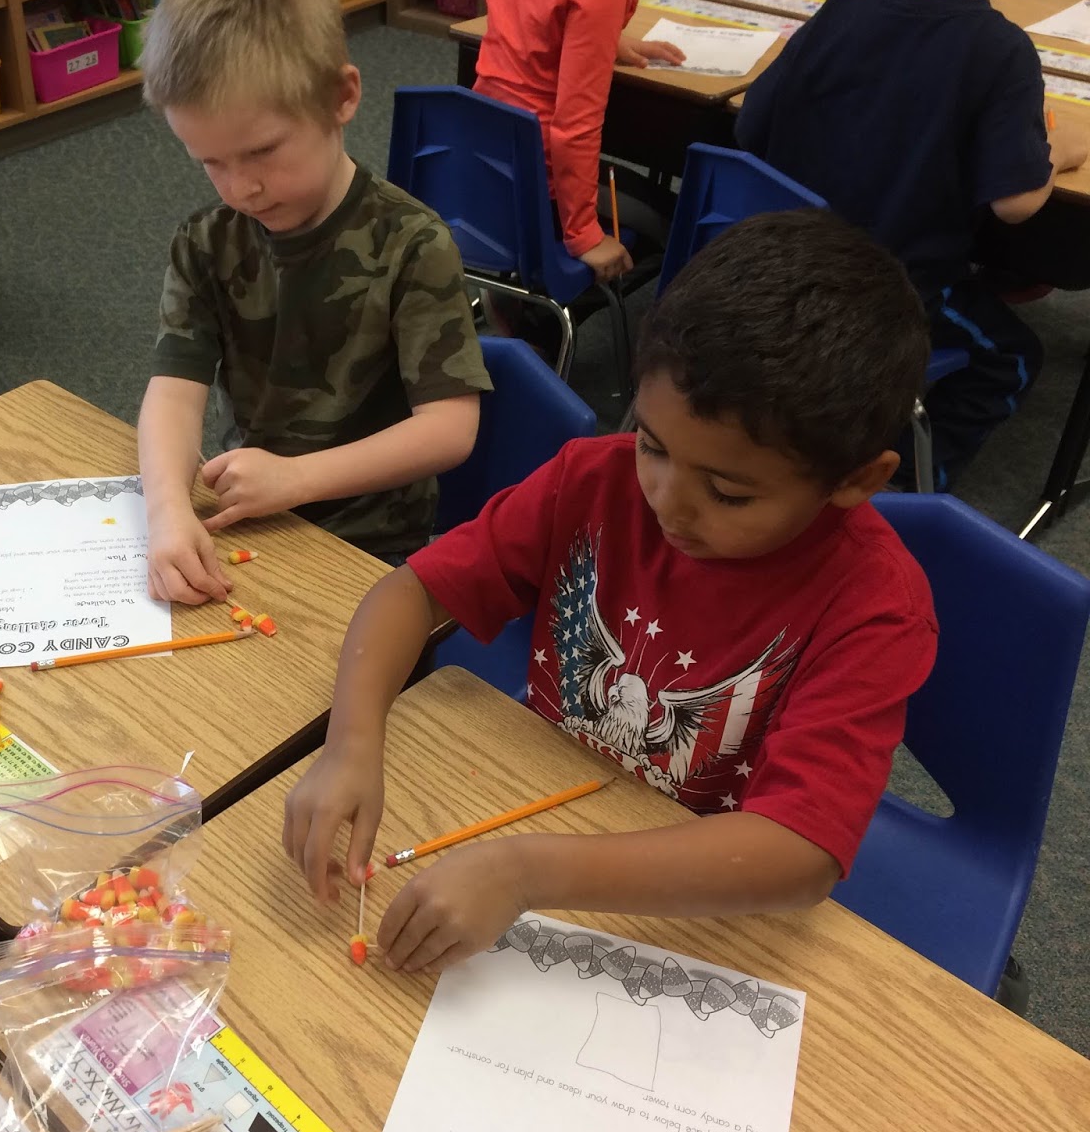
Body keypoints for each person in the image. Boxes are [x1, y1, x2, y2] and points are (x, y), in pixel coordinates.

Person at [282, 211, 939, 973]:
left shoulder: (875, 605)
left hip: (693, 884)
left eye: (728, 494)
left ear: (858, 480)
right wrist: (351, 744)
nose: (667, 501)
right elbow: (411, 594)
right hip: (543, 790)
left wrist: (529, 872)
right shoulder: (593, 479)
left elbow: (799, 855)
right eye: (653, 446)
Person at [136, 0, 490, 603]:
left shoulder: (412, 243)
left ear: (341, 97)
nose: (242, 188)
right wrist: (167, 508)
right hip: (255, 512)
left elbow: (450, 430)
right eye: (209, 162)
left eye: (263, 151)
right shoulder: (204, 241)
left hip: (374, 543)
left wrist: (296, 478)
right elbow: (173, 391)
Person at [735, 0, 1090, 488]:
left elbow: (751, 124)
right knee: (1012, 358)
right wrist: (1058, 154)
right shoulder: (999, 47)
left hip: (777, 261)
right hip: (889, 286)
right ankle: (900, 488)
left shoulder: (846, 4)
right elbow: (1015, 204)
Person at [473, 0, 686, 280]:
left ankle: (518, 296)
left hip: (480, 155)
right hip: (543, 184)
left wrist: (598, 35)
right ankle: (540, 312)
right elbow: (574, 127)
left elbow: (530, 17)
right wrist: (584, 234)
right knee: (687, 227)